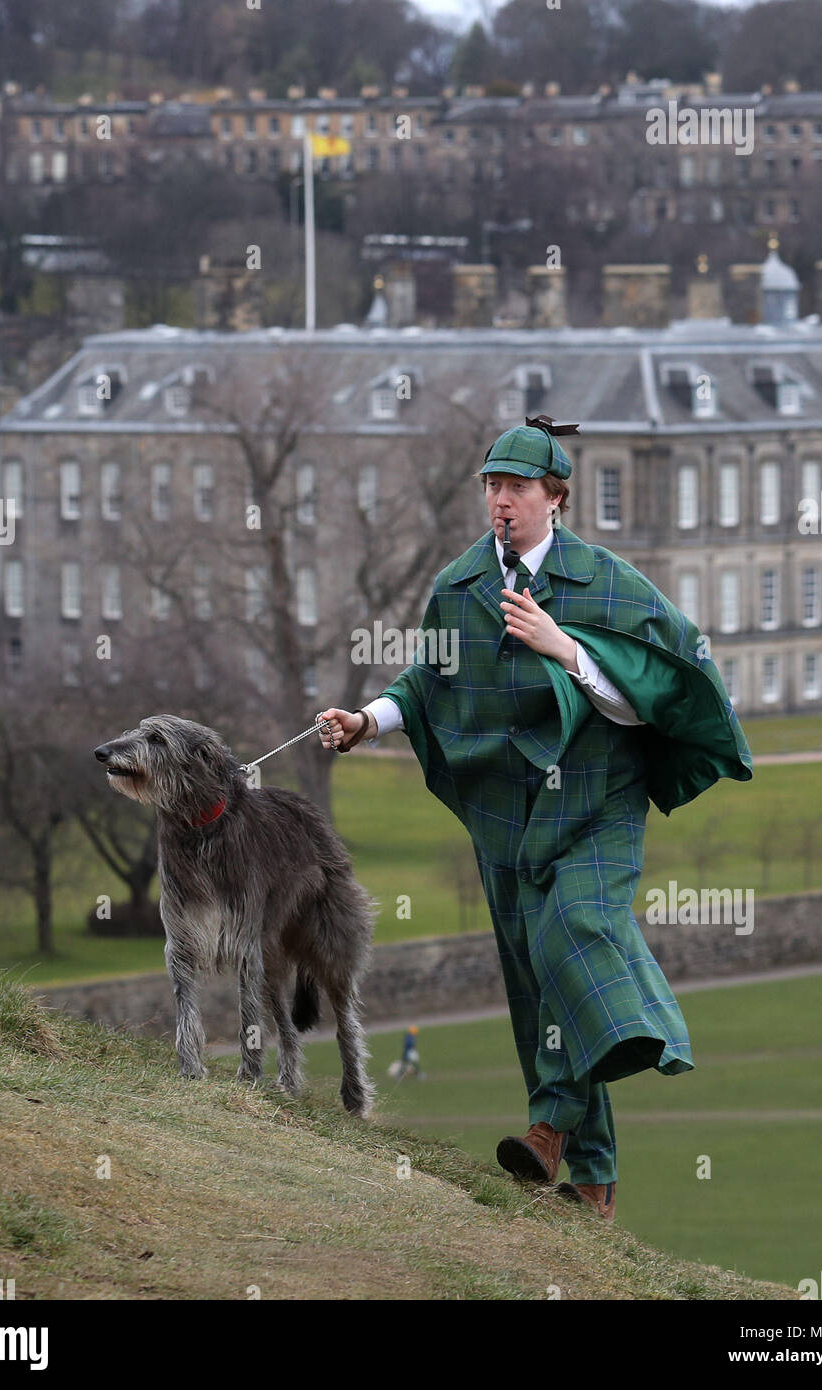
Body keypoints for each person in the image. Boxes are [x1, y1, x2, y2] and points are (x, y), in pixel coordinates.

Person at [319, 417, 752, 1222]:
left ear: (555, 496)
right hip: (505, 817)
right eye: (491, 486)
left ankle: (555, 1120)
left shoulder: (610, 584)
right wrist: (366, 721)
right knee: (534, 988)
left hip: (596, 801)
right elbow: (427, 684)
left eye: (517, 488)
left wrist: (568, 651)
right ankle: (592, 1182)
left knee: (573, 934)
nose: (501, 502)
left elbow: (653, 693)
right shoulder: (458, 588)